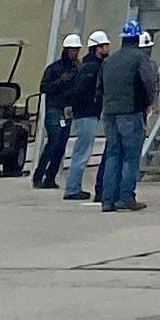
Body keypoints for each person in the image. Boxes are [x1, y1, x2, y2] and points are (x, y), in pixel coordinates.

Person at [97, 21, 158, 211]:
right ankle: (126, 197)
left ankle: (107, 200)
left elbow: (100, 87)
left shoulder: (109, 60)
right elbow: (149, 82)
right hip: (131, 113)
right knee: (130, 157)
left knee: (113, 155)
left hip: (110, 114)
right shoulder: (140, 59)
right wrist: (150, 102)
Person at [59, 31, 109, 201]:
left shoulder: (87, 66)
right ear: (96, 48)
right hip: (87, 113)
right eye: (103, 46)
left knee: (82, 151)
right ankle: (72, 189)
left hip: (86, 113)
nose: (106, 49)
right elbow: (81, 90)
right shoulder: (92, 68)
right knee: (82, 152)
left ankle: (73, 187)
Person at [31, 36, 83, 188]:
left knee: (61, 144)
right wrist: (61, 80)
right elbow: (44, 88)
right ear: (66, 50)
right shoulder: (54, 68)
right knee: (54, 141)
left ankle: (50, 177)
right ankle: (39, 175)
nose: (74, 53)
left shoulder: (78, 69)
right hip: (54, 110)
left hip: (67, 111)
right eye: (72, 50)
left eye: (76, 50)